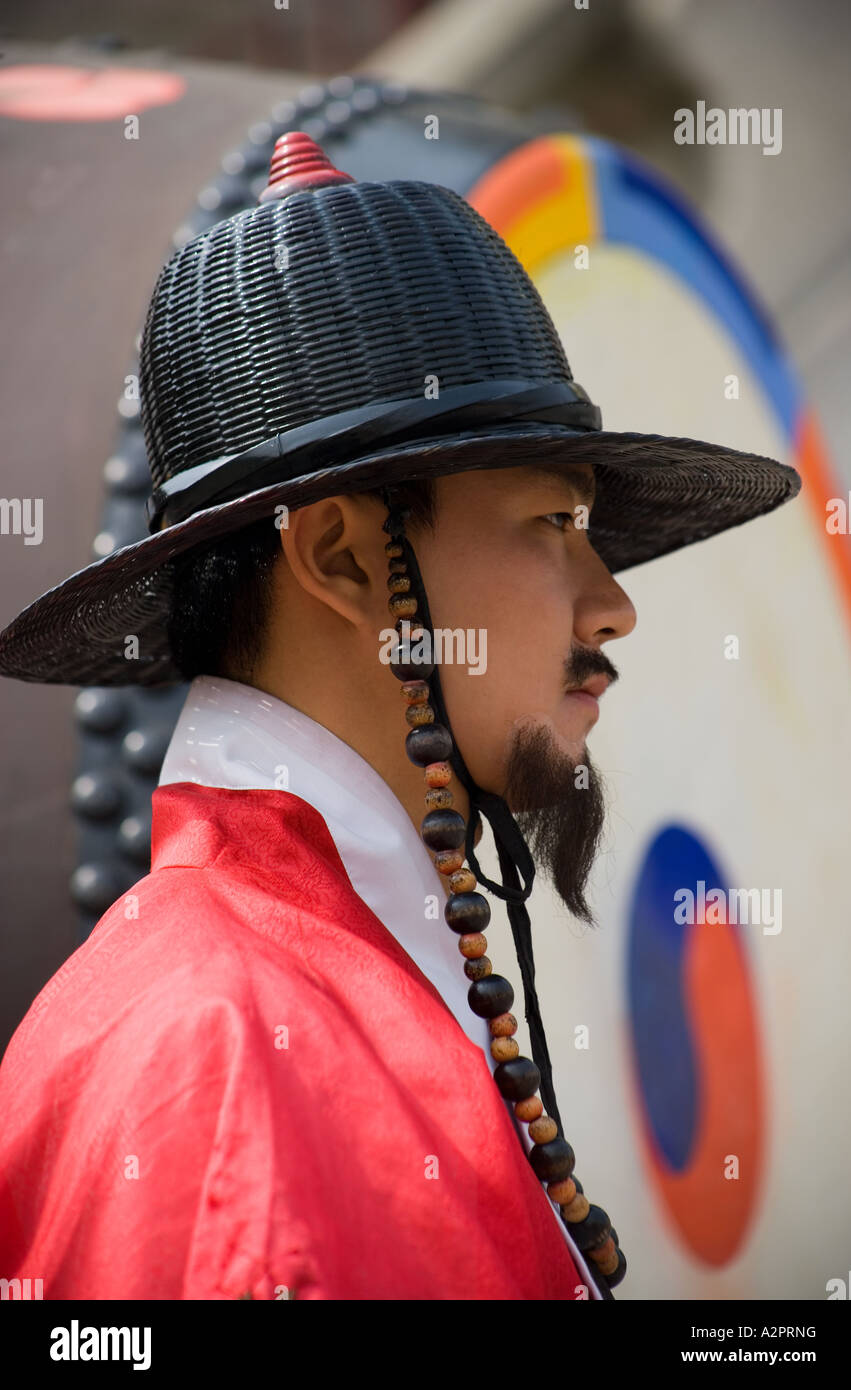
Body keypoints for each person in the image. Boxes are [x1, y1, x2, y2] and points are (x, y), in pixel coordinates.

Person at [0, 132, 801, 1300]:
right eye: (550, 524)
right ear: (342, 555)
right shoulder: (212, 1060)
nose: (612, 606)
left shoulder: (331, 971)